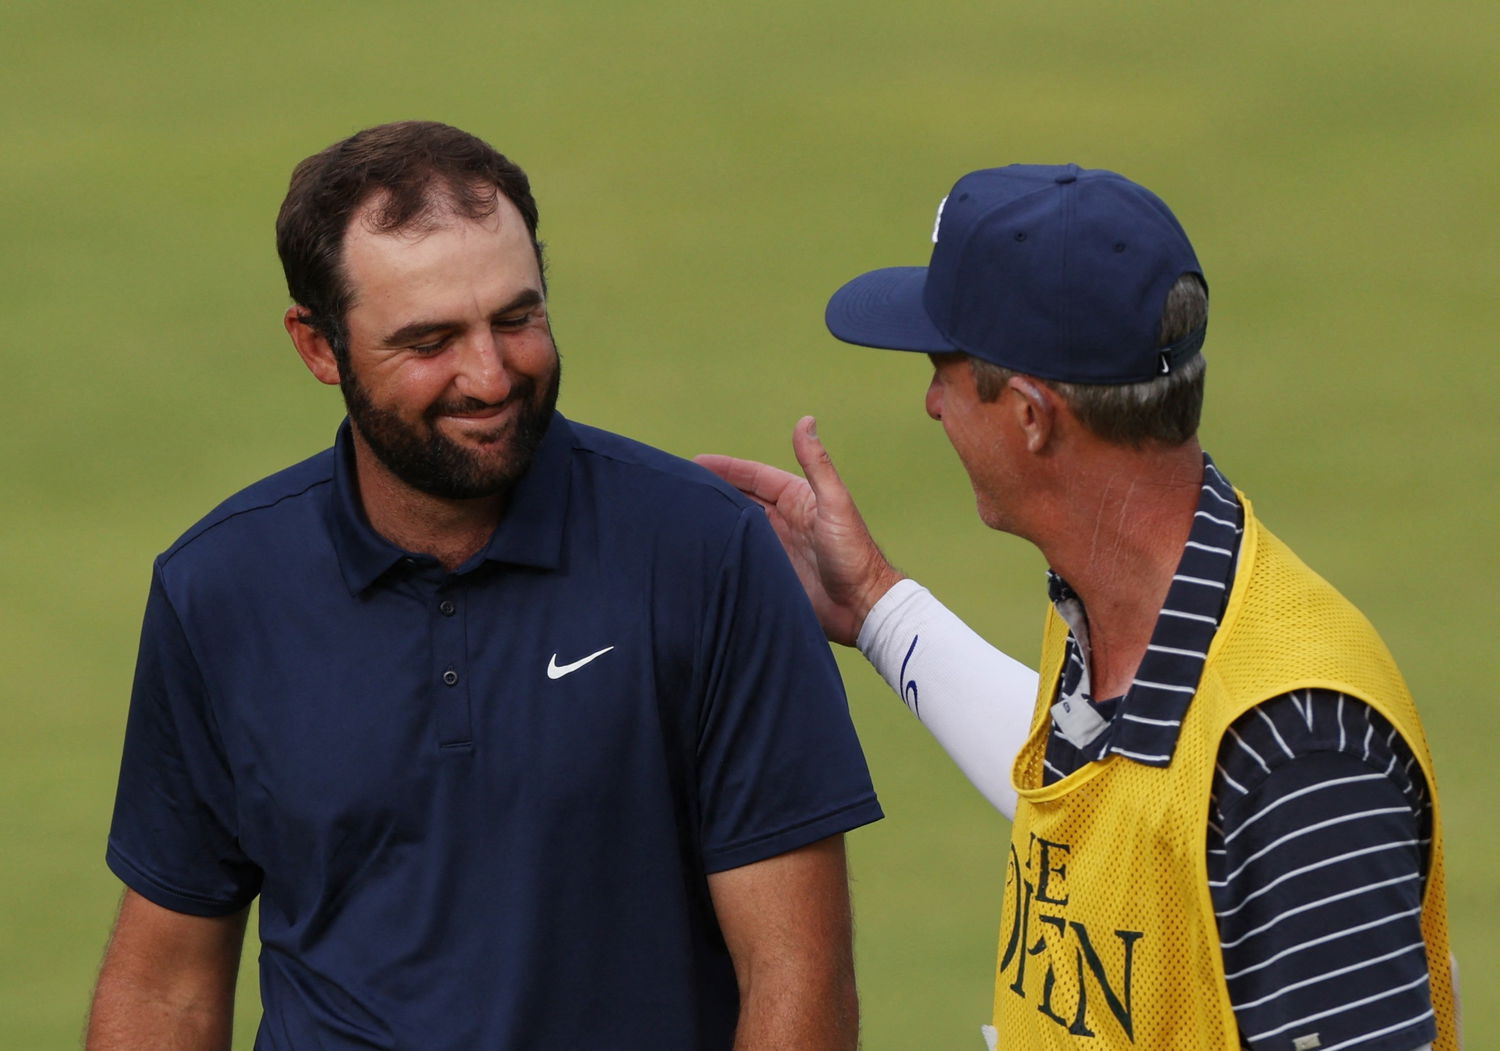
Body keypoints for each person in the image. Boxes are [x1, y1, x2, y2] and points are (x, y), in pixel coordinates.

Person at [87, 120, 882, 1051]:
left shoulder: (706, 554)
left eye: (517, 318)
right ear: (319, 346)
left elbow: (796, 973)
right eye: (429, 340)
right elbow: (167, 987)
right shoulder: (219, 589)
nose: (490, 374)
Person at [699, 164, 1457, 1050]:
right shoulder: (1120, 610)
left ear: (1030, 416)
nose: (932, 403)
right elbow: (1113, 813)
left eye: (945, 369)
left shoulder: (1298, 749)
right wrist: (872, 603)